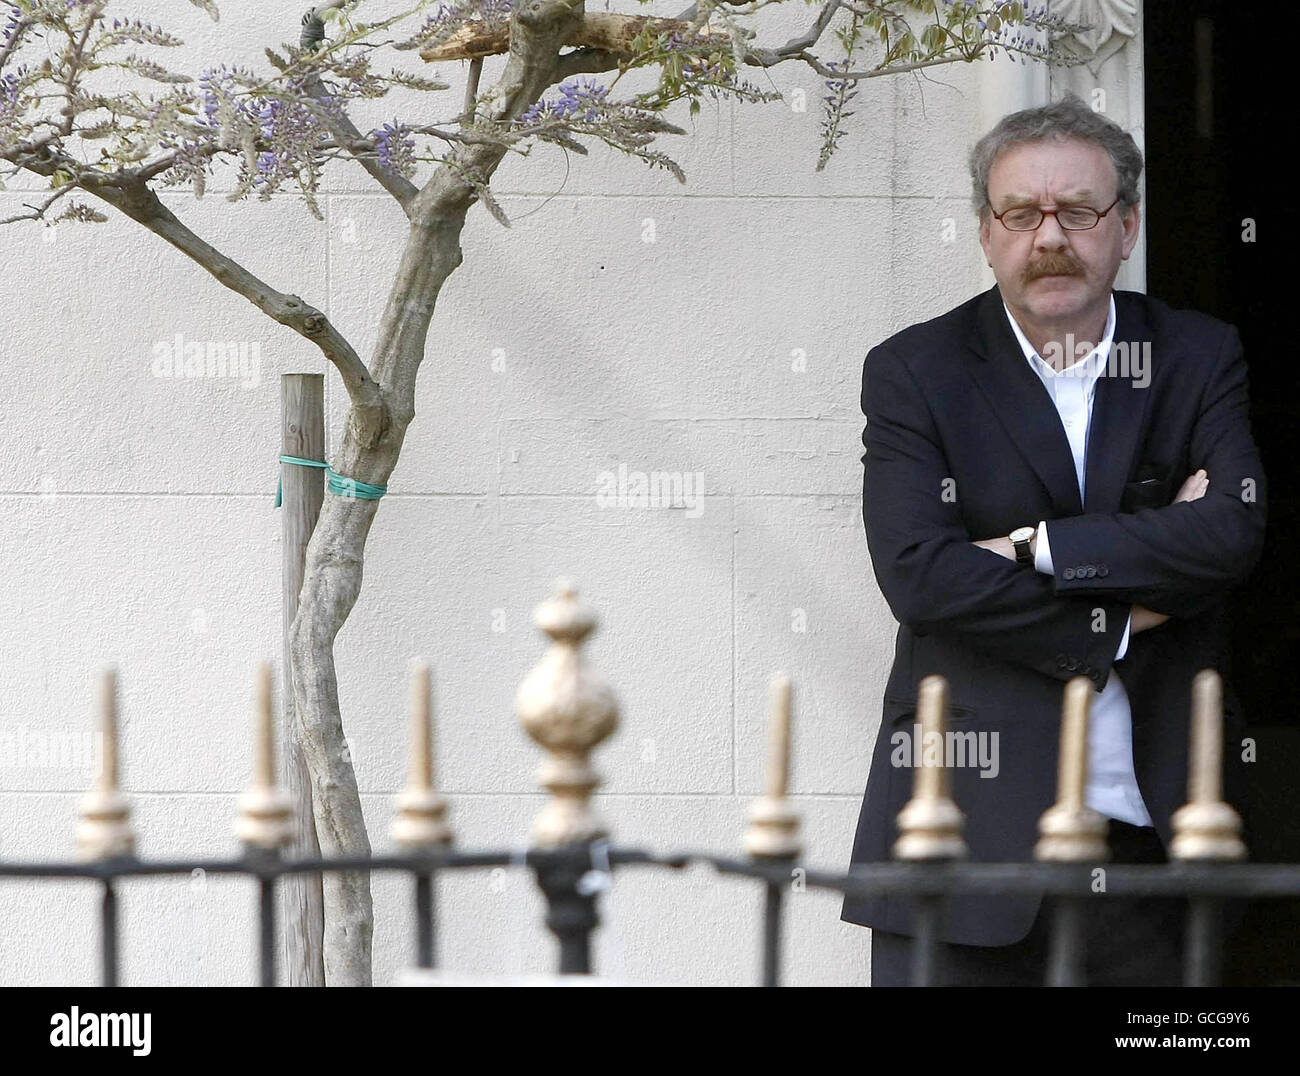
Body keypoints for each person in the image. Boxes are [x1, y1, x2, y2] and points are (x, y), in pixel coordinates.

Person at [839, 93, 1267, 986]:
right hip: (957, 836)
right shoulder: (917, 370)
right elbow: (921, 577)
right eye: (1021, 213)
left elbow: (1229, 533)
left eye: (1079, 211)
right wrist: (1122, 610)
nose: (1050, 237)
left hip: (1155, 836)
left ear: (1127, 227)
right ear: (986, 232)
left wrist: (1035, 546)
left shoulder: (1196, 355)